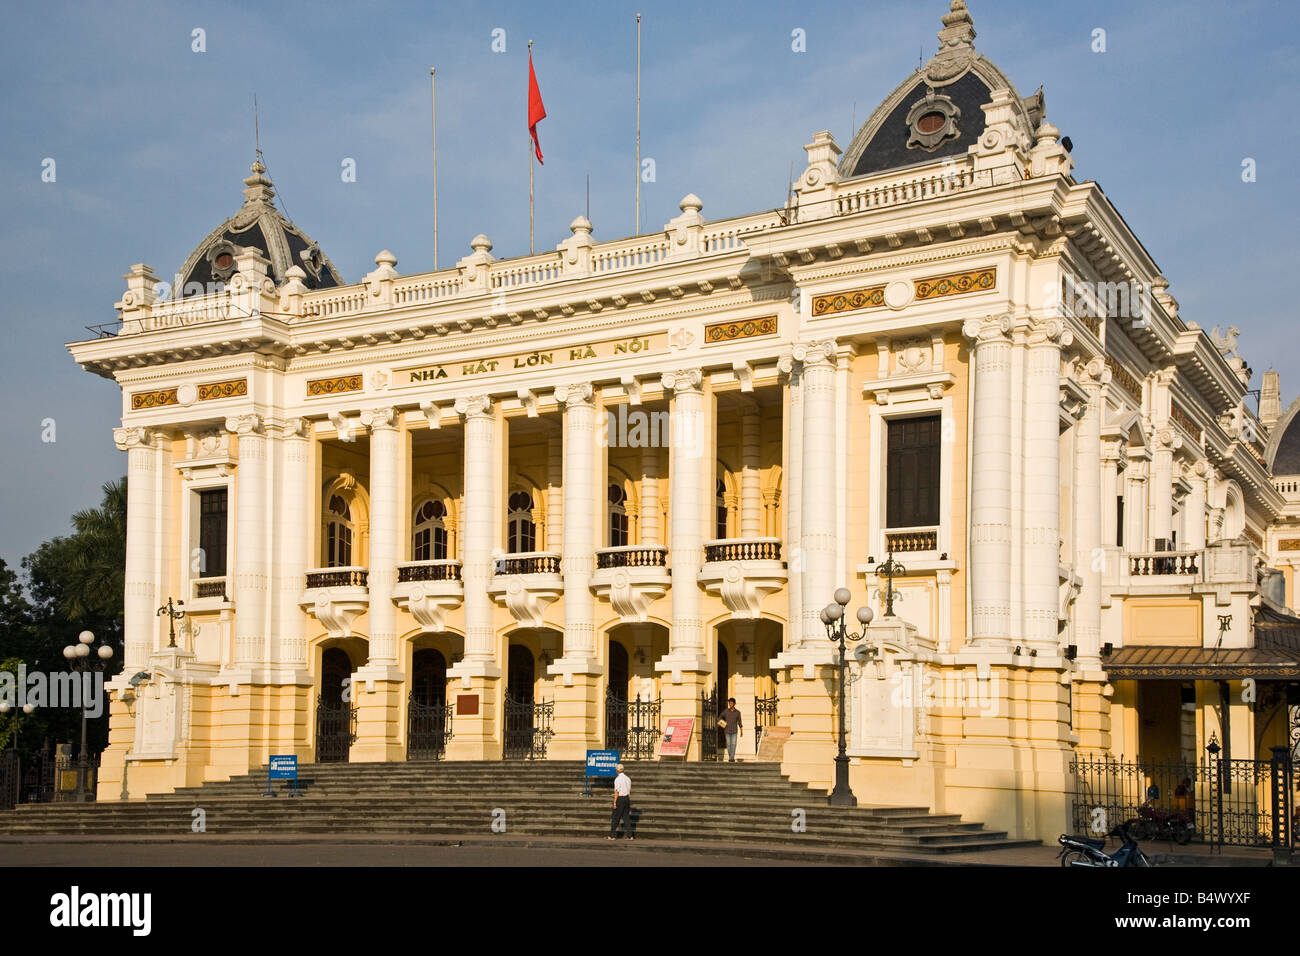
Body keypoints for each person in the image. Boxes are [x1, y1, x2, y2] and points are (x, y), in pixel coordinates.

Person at [608, 763, 633, 840]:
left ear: (617, 770)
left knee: (616, 817)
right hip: (627, 798)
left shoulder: (618, 779)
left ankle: (612, 835)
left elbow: (617, 791)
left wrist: (615, 802)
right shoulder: (628, 778)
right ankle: (630, 835)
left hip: (620, 799)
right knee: (626, 817)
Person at [720, 697, 743, 762]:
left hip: (734, 731)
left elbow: (739, 721)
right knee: (728, 744)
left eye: (731, 703)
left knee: (733, 744)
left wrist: (741, 730)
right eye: (729, 703)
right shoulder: (726, 711)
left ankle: (731, 758)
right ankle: (731, 757)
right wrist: (721, 723)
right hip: (727, 730)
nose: (730, 704)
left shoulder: (738, 712)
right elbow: (720, 716)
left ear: (734, 704)